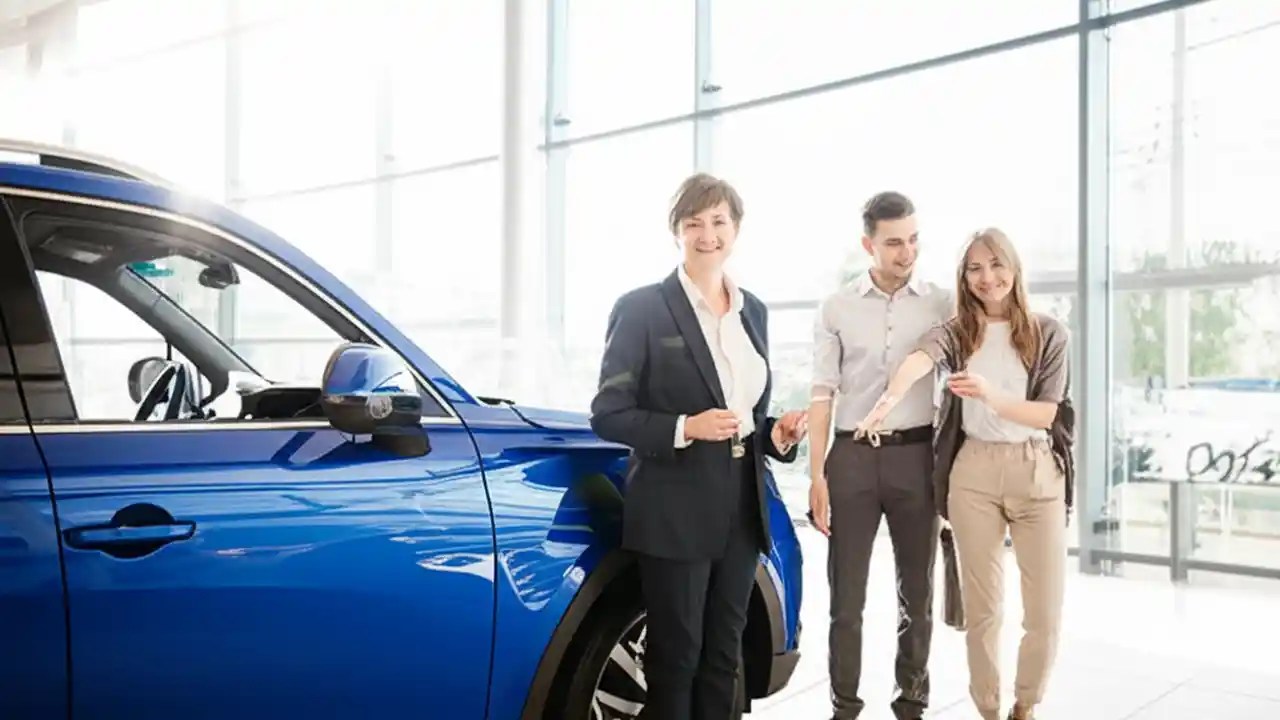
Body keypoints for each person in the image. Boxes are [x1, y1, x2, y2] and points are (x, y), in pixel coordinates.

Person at [589, 172, 808, 720]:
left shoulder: (752, 310)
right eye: (695, 224)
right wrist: (687, 426)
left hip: (741, 507)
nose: (708, 234)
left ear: (735, 228)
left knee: (724, 655)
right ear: (677, 232)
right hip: (674, 509)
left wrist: (775, 433)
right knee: (675, 657)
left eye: (719, 222)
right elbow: (608, 415)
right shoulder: (641, 308)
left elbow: (745, 412)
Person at [855, 227, 1075, 720]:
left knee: (1044, 614)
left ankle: (1026, 704)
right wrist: (888, 399)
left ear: (1014, 269)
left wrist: (987, 393)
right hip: (972, 471)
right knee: (983, 612)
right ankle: (990, 710)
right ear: (964, 276)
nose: (987, 277)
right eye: (974, 268)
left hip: (1036, 470)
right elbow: (919, 358)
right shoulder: (957, 332)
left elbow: (1046, 414)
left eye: (996, 265)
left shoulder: (1049, 333)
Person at [808, 191, 953, 720]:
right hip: (851, 458)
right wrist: (817, 475)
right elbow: (822, 392)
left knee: (918, 595)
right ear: (868, 244)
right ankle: (844, 707)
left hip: (918, 457)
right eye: (894, 242)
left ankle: (911, 702)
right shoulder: (837, 307)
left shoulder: (943, 302)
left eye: (913, 239)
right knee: (846, 600)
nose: (906, 251)